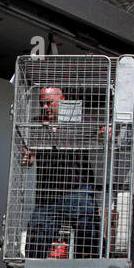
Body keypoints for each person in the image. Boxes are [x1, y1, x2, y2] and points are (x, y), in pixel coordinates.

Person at [22, 86, 103, 259]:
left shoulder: (79, 120)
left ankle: (91, 263)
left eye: (49, 102)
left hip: (77, 189)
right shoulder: (36, 124)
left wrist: (105, 133)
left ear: (62, 100)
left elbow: (100, 130)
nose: (45, 107)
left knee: (88, 225)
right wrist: (27, 157)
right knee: (38, 231)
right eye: (42, 103)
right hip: (48, 194)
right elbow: (29, 153)